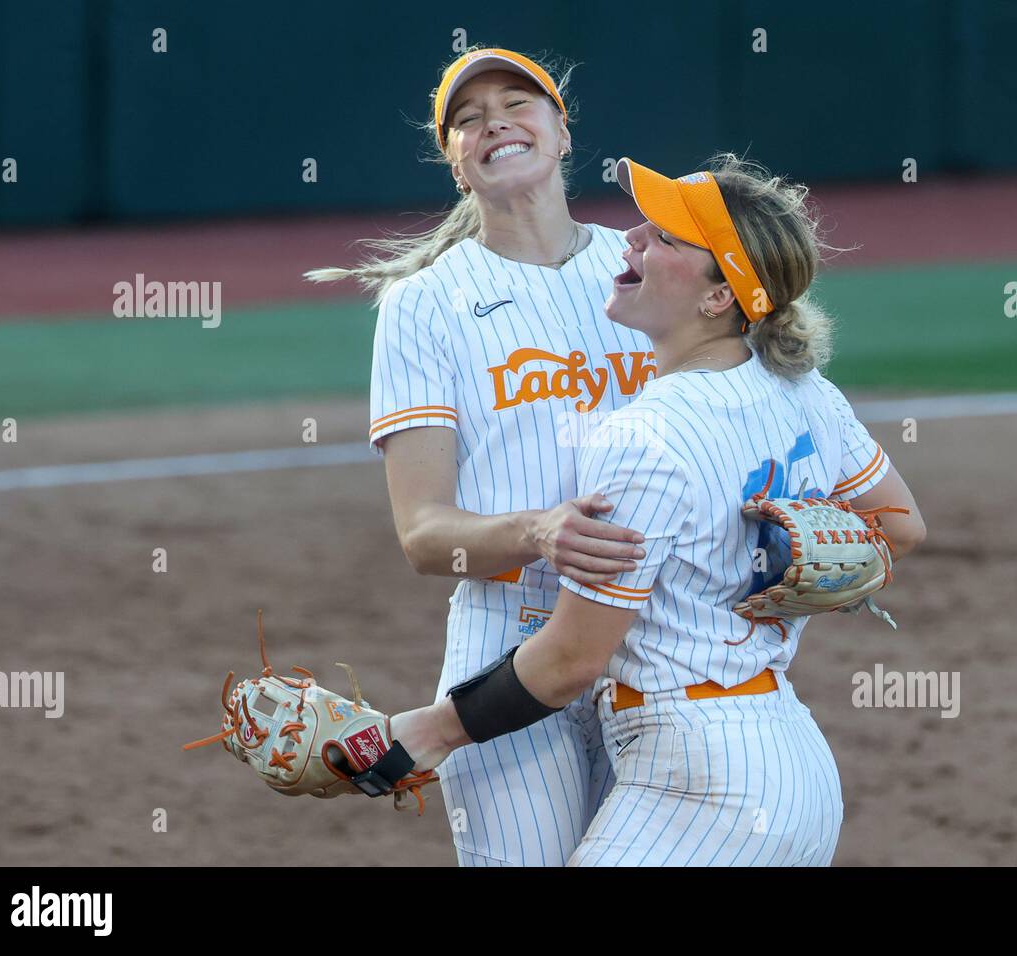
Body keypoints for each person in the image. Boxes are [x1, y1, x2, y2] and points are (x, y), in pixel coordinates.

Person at [381, 153, 927, 866]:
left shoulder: (643, 436)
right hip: (794, 766)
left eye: (667, 238)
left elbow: (572, 660)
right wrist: (775, 570)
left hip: (699, 788)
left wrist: (430, 729)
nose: (634, 237)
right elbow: (900, 526)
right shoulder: (803, 391)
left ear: (716, 298)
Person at [308, 48, 657, 867]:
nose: (494, 120)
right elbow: (426, 535)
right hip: (506, 648)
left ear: (563, 131)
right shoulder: (425, 304)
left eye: (518, 101)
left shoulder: (652, 266)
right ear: (457, 166)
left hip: (658, 637)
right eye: (467, 118)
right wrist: (541, 531)